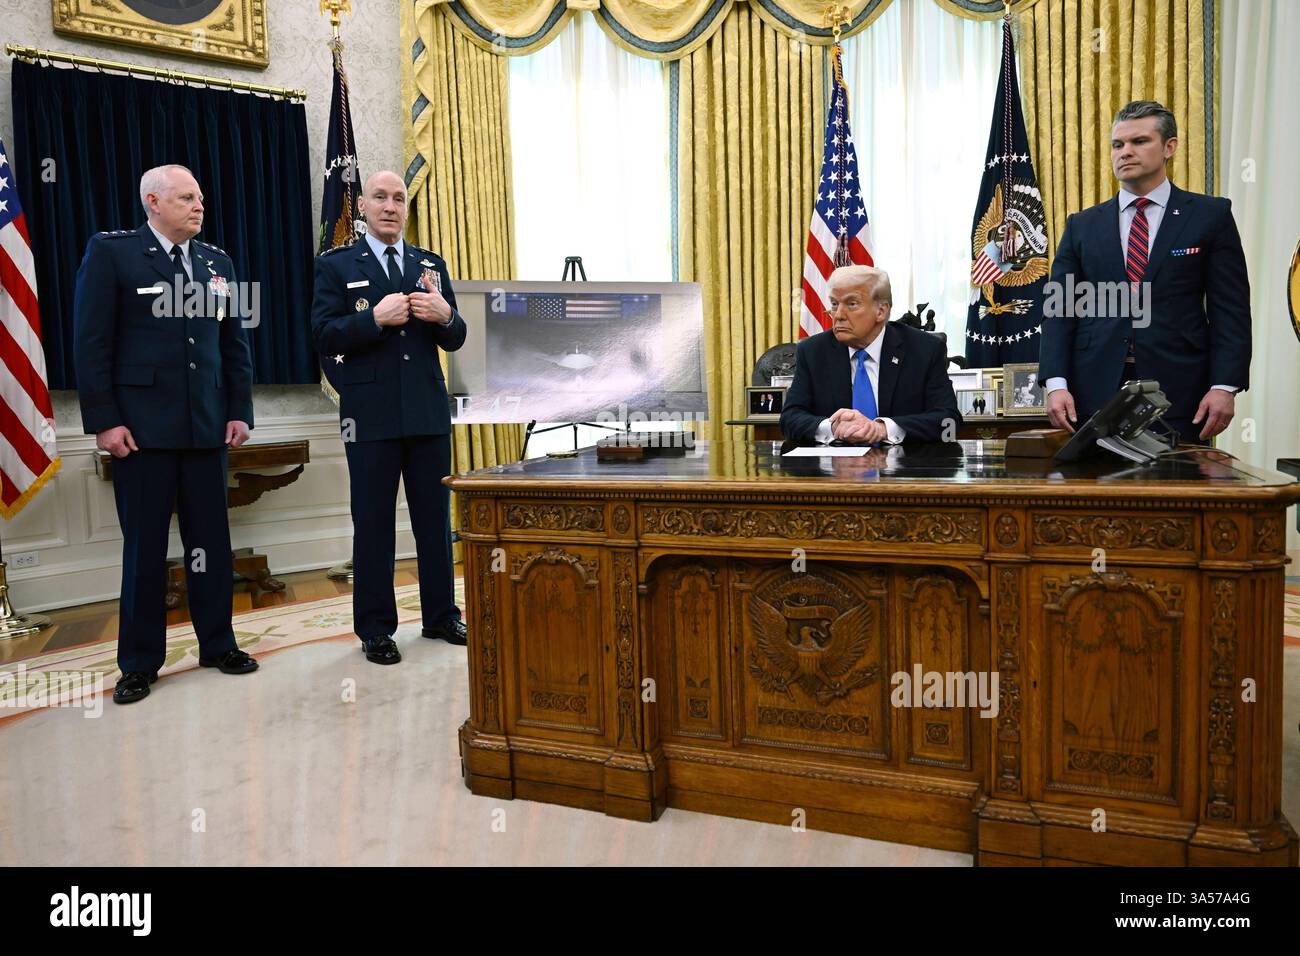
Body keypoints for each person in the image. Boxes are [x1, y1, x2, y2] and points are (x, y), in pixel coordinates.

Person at [73, 164, 257, 705]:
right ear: (153, 202)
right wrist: (105, 420)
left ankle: (218, 644)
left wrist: (239, 409)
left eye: (200, 197)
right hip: (141, 433)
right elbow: (92, 343)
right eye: (186, 198)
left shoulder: (216, 262)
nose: (199, 206)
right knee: (145, 551)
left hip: (206, 430)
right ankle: (138, 661)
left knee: (211, 546)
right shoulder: (114, 253)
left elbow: (233, 346)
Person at [310, 170, 467, 665]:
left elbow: (456, 337)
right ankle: (376, 628)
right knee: (373, 523)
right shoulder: (336, 266)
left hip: (426, 414)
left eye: (398, 198)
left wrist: (446, 316)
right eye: (380, 197)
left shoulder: (429, 264)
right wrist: (372, 320)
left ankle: (441, 615)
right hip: (370, 417)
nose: (390, 206)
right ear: (362, 208)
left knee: (434, 521)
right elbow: (323, 336)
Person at [1040, 100, 1251, 443]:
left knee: (1176, 493)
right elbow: (1059, 311)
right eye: (1118, 144)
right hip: (1092, 394)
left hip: (1182, 394)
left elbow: (1231, 310)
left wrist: (1224, 386)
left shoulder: (1210, 216)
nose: (1125, 152)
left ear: (1170, 147)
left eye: (1139, 142)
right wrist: (1055, 384)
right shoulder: (1082, 226)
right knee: (1095, 494)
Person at [780, 265, 961, 444]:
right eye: (834, 304)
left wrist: (883, 429)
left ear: (881, 311)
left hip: (903, 467)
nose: (838, 315)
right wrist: (832, 428)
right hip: (836, 468)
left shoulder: (925, 350)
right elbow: (789, 419)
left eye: (852, 304)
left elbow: (949, 422)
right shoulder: (813, 352)